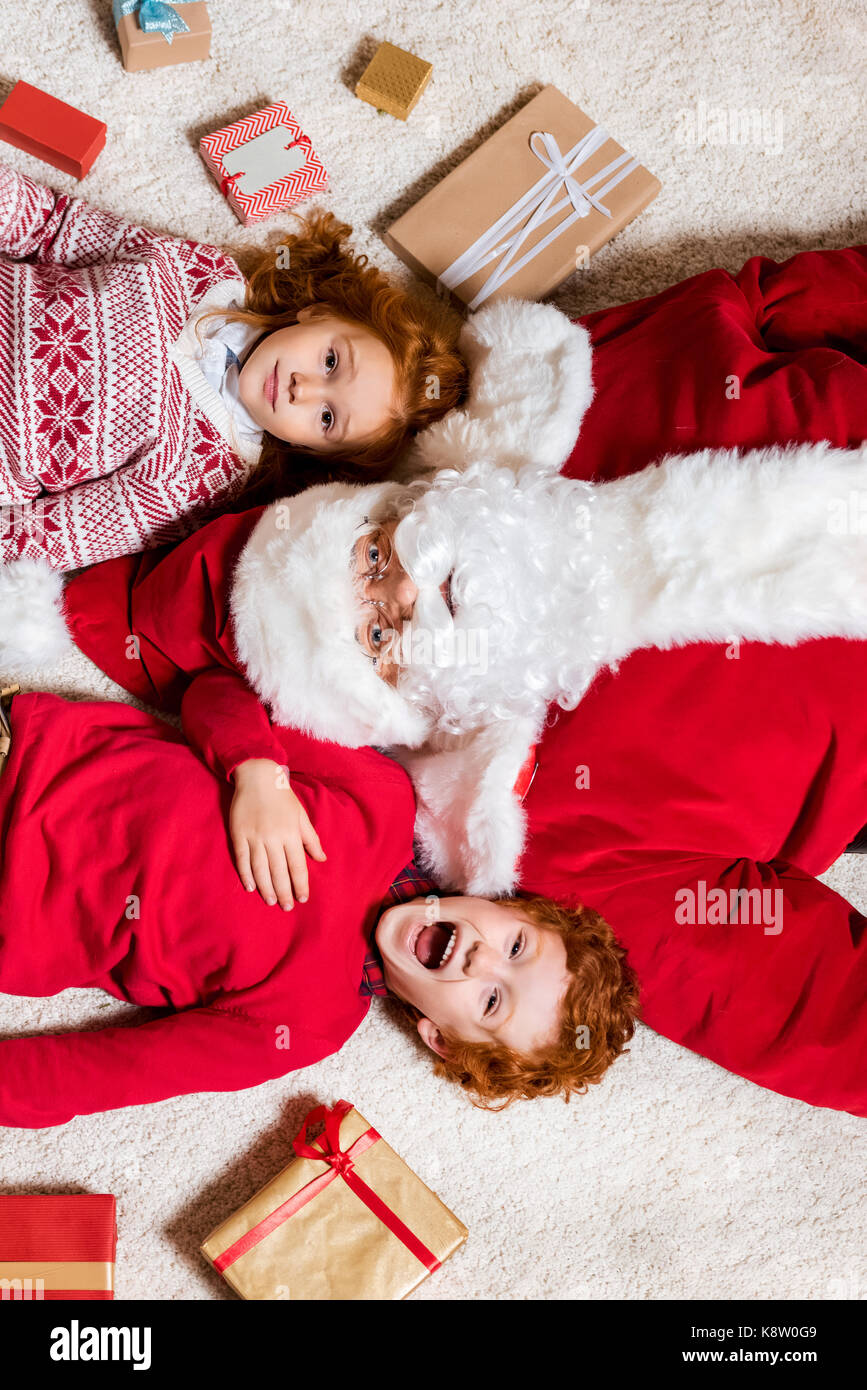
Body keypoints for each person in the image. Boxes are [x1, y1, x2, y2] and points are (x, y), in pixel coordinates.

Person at [0, 688, 637, 1127]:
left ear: (440, 1039)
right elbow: (220, 690)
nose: (481, 959)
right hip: (30, 754)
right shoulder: (380, 802)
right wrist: (256, 772)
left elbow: (102, 1074)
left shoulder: (305, 1028)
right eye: (517, 946)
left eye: (492, 1001)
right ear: (507, 903)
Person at [0, 161, 468, 570]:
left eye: (326, 418)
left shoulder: (204, 480)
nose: (301, 390)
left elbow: (52, 536)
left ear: (313, 451)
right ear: (321, 313)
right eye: (330, 361)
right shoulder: (204, 273)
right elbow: (53, 224)